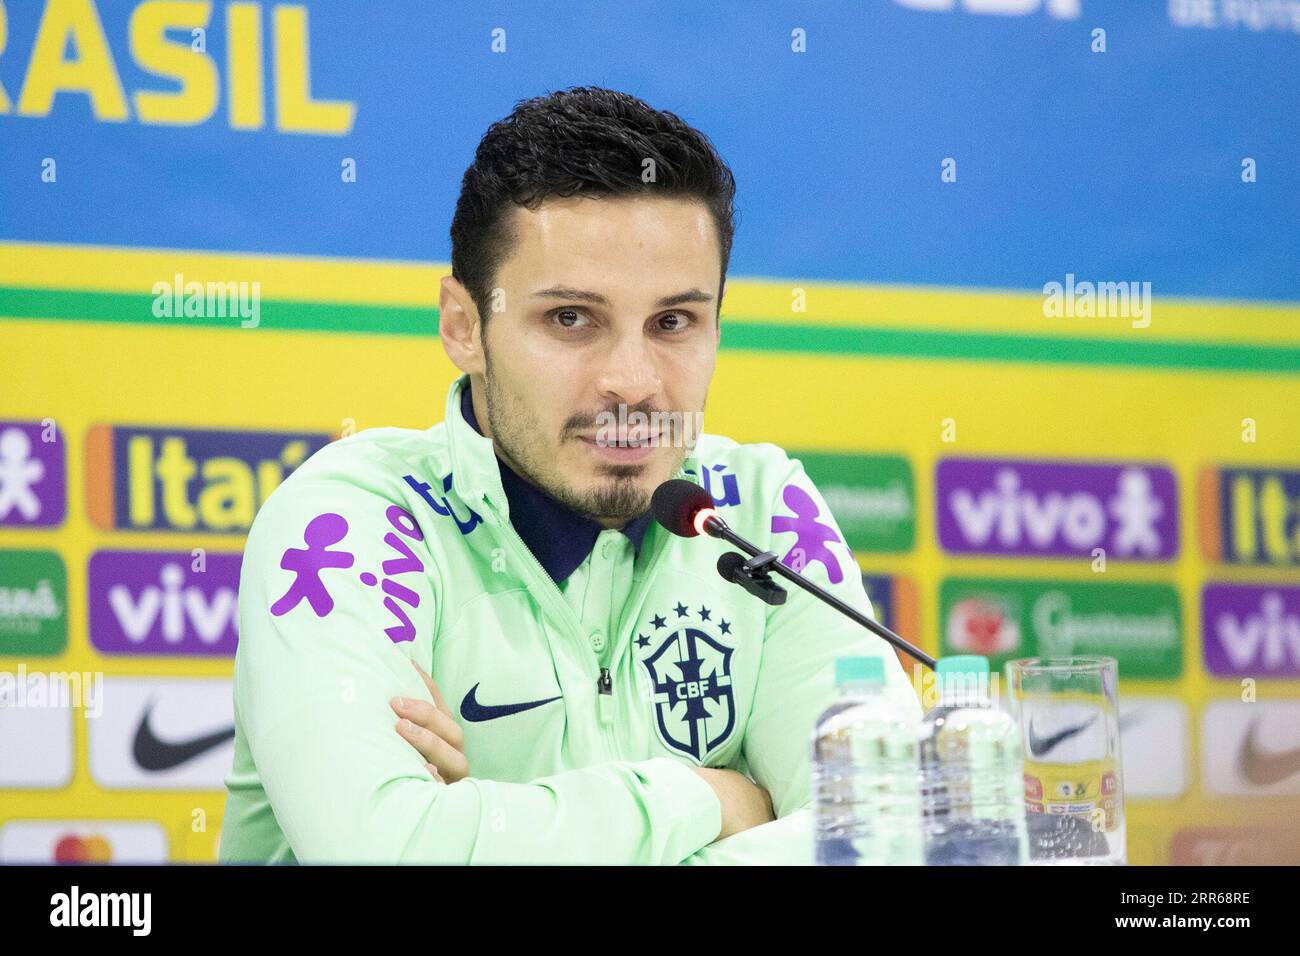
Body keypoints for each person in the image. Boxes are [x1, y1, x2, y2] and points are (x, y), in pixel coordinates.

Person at [219, 86, 919, 865]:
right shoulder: (347, 519)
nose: (632, 380)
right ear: (463, 326)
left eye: (673, 322)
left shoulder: (759, 508)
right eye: (570, 319)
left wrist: (488, 828)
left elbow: (889, 836)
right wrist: (702, 798)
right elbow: (387, 850)